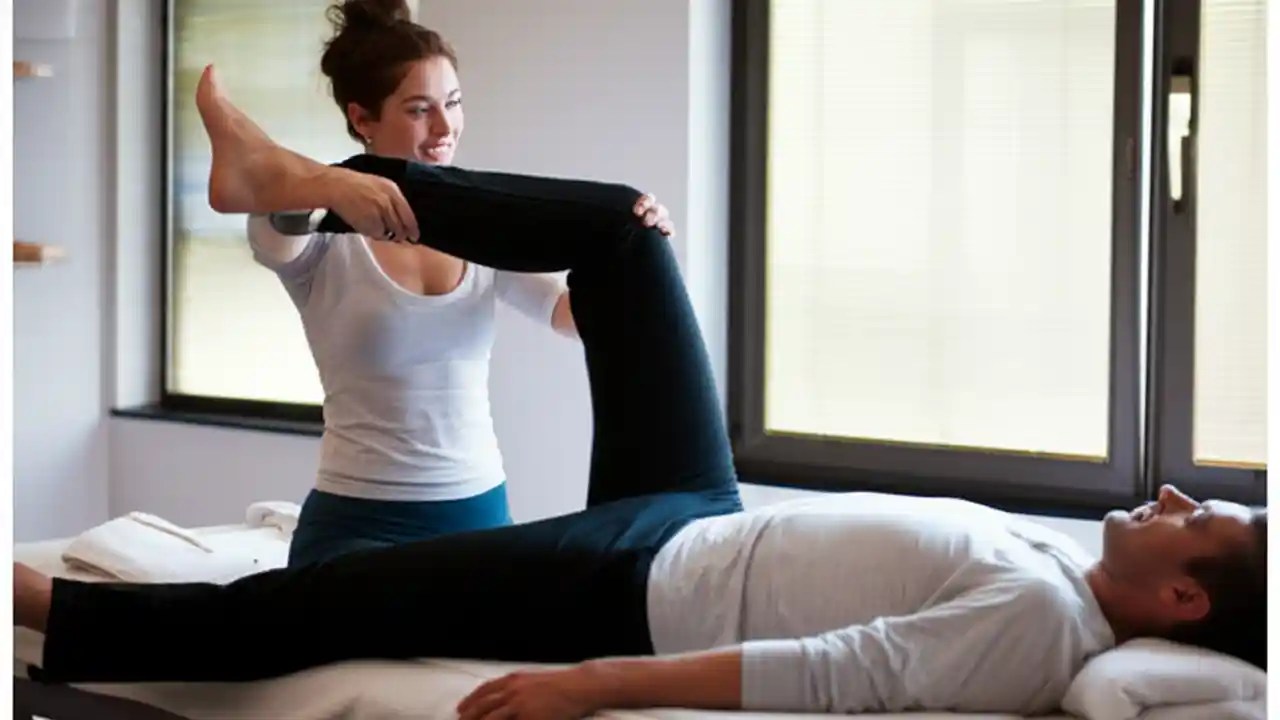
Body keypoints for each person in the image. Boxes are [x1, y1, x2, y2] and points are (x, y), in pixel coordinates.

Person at [13, 67, 1267, 719]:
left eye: (1197, 516)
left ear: (1178, 593)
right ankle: (302, 178)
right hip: (696, 508)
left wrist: (590, 684)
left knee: (335, 602)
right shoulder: (1056, 572)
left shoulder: (1044, 631)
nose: (1168, 491)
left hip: (639, 582)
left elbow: (824, 674)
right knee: (622, 230)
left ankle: (52, 608)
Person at [244, 0, 677, 567]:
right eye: (419, 110)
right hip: (357, 520)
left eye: (453, 103)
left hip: (476, 515)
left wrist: (641, 250)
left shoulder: (482, 224)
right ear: (363, 119)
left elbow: (569, 317)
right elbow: (263, 201)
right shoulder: (319, 237)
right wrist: (340, 184)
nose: (445, 128)